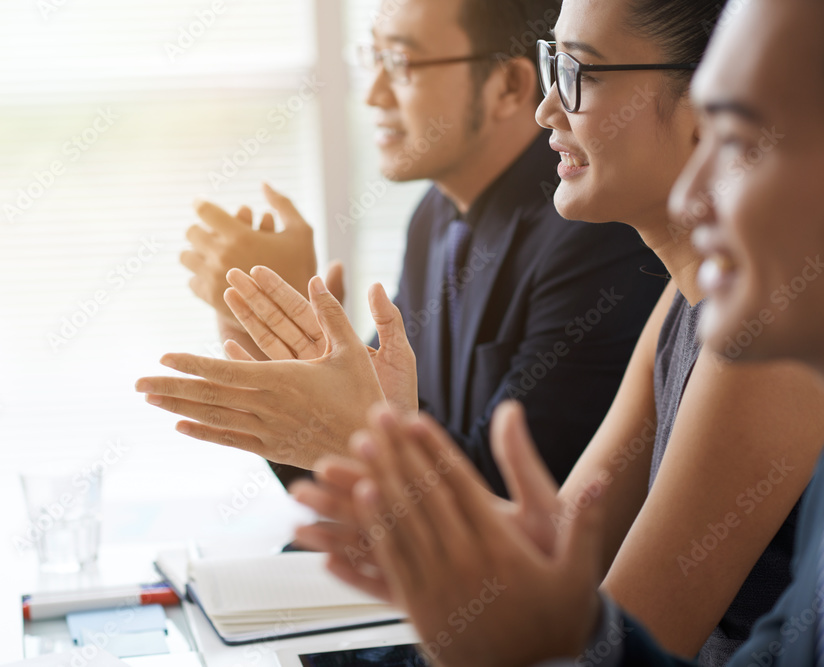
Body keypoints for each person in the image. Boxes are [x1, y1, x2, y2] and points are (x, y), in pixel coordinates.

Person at [289, 0, 824, 664]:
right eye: (553, 62)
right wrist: (395, 441)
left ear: (708, 102)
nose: (546, 109)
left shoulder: (763, 342)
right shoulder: (683, 303)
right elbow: (551, 568)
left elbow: (604, 644)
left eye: (581, 72)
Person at [174, 0, 665, 492]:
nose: (372, 94)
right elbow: (341, 467)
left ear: (509, 86)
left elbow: (504, 502)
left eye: (401, 63)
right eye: (374, 58)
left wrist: (320, 367)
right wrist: (268, 324)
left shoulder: (594, 234)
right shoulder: (433, 217)